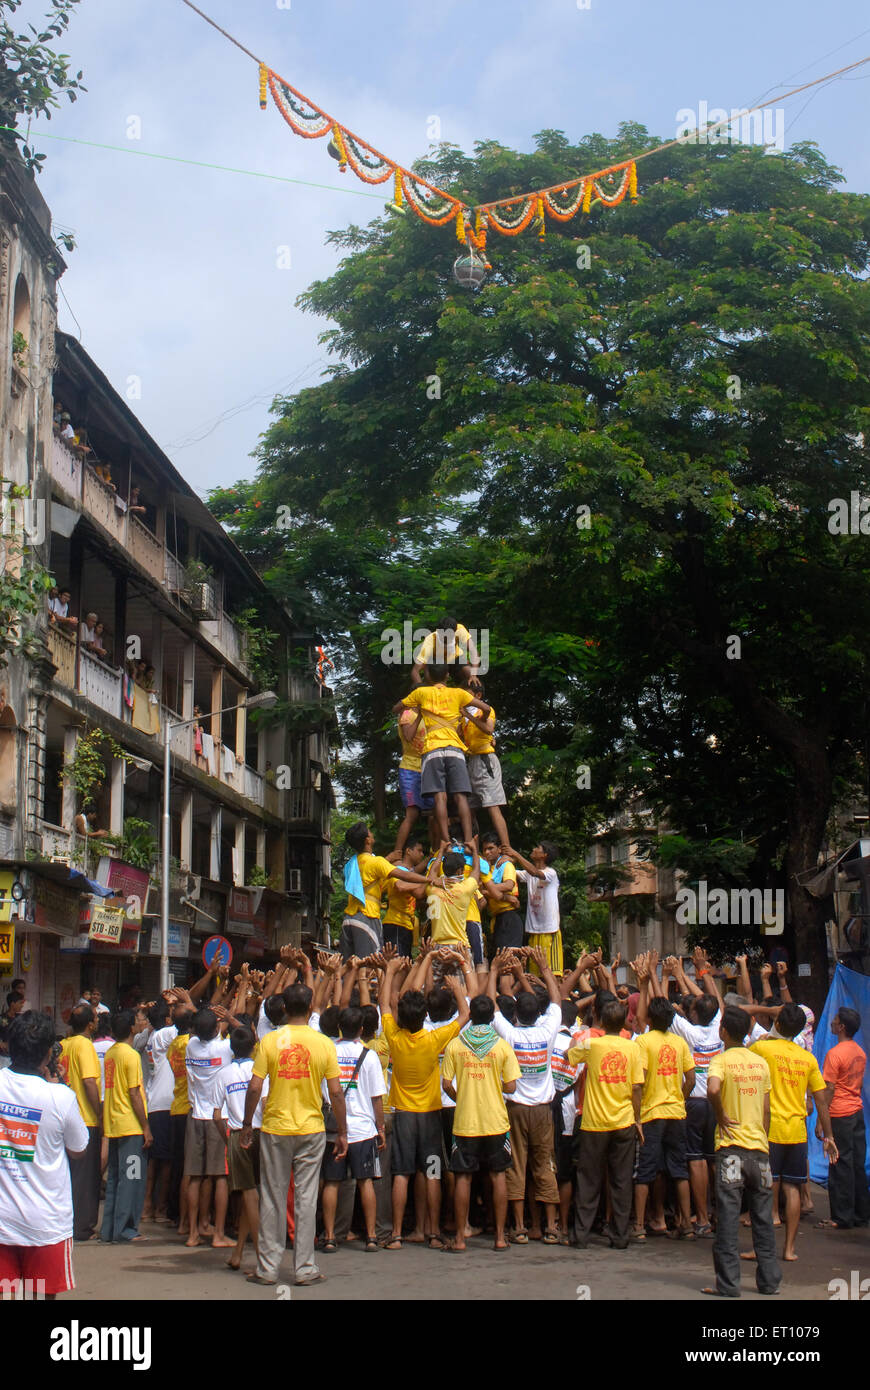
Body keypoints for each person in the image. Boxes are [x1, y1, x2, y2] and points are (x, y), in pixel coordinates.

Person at [242, 982, 346, 1288]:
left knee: (273, 1197)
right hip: (312, 1128)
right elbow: (337, 1093)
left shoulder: (270, 1041)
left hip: (275, 1127)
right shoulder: (324, 1043)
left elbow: (254, 1087)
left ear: (284, 1008)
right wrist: (342, 1131)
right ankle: (304, 1267)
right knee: (305, 1197)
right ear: (312, 1005)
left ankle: (267, 1268)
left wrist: (247, 1124)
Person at [381, 954, 468, 1250]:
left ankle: (394, 1234)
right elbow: (464, 1016)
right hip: (430, 1115)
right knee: (432, 1173)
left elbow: (384, 1005)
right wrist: (456, 988)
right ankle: (432, 1233)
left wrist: (391, 971)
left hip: (404, 1115)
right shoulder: (433, 1039)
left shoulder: (394, 1037)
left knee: (402, 1174)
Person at [0, 1012, 88, 1298]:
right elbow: (78, 1149)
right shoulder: (60, 1097)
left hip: (4, 1222)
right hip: (45, 1224)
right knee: (40, 1296)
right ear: (49, 1052)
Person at [748, 1002, 837, 1262]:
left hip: (770, 1129)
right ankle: (789, 1250)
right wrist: (829, 1136)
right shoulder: (807, 1058)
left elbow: (743, 1059)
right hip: (797, 1131)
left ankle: (761, 1246)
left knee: (765, 1188)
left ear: (777, 1024)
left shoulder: (762, 1048)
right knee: (793, 1188)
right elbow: (820, 1099)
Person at [704, 1005, 780, 1298]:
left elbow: (712, 1090)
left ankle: (728, 1285)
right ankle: (770, 1282)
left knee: (728, 1217)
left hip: (731, 1149)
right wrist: (763, 1139)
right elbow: (765, 1109)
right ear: (748, 1031)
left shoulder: (720, 1061)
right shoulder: (760, 1063)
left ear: (723, 1031)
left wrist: (721, 1114)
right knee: (762, 1220)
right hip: (759, 1151)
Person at [489, 947, 563, 1242]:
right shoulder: (548, 1032)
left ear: (516, 1013)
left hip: (516, 1107)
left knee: (516, 1165)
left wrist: (495, 970)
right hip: (543, 1110)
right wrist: (543, 969)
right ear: (539, 1014)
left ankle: (518, 1227)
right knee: (544, 1164)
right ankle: (552, 1227)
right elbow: (557, 1000)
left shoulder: (511, 1034)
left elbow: (493, 1007)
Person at [441, 993, 521, 1251]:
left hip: (465, 1121)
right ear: (491, 1017)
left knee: (463, 1177)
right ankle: (499, 1237)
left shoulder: (456, 1045)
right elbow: (511, 1085)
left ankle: (461, 1239)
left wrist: (461, 1096)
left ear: (471, 1016)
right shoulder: (501, 1046)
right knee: (498, 1176)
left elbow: (446, 1084)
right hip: (496, 1121)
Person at [567, 998, 644, 1250]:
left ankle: (580, 1235)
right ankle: (620, 1236)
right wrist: (638, 1119)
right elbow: (636, 1088)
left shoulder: (592, 1045)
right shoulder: (631, 1048)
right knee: (621, 1180)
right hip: (623, 1121)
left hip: (594, 1122)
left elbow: (569, 1056)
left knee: (588, 1180)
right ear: (623, 1022)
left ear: (598, 1018)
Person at [393, 667, 492, 845]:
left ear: (428, 675)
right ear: (448, 675)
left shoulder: (422, 692)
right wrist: (479, 719)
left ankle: (445, 841)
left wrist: (419, 707)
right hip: (455, 749)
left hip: (432, 750)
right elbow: (486, 708)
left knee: (440, 797)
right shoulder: (458, 693)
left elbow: (396, 708)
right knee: (461, 796)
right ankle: (469, 840)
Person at [321, 1005, 387, 1253]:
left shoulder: (329, 1052)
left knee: (332, 1182)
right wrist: (380, 1127)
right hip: (362, 1128)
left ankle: (329, 1236)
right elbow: (376, 1098)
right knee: (365, 1181)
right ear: (361, 1029)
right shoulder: (368, 1056)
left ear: (340, 1027)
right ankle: (371, 1236)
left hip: (335, 1128)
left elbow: (324, 1090)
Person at [633, 996, 696, 1240]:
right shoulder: (679, 1043)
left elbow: (641, 1079)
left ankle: (639, 1226)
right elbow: (690, 1078)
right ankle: (686, 1224)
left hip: (651, 1113)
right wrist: (679, 1097)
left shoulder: (643, 1042)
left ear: (649, 1018)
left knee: (645, 1171)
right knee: (679, 1170)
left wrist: (637, 1115)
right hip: (676, 1112)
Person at [213, 1025, 266, 1272]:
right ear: (254, 1044)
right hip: (261, 1131)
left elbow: (216, 1115)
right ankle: (241, 1253)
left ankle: (258, 1256)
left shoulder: (223, 1074)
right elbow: (265, 1102)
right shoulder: (259, 1069)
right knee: (251, 1194)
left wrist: (228, 1141)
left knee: (248, 1194)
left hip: (237, 1133)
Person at [339, 821, 431, 960]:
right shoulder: (377, 862)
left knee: (349, 967)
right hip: (367, 917)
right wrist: (430, 880)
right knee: (369, 965)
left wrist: (388, 858)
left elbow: (371, 874)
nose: (371, 832)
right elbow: (404, 875)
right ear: (367, 840)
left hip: (348, 919)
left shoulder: (351, 864)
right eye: (369, 831)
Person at [184, 1007, 234, 1249]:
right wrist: (230, 1017)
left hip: (196, 1116)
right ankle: (219, 1234)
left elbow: (203, 1028)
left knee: (194, 1176)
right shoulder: (224, 1049)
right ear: (216, 1029)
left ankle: (193, 1233)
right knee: (220, 1177)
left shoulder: (191, 1045)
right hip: (218, 1117)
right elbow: (244, 1033)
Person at [101, 1009, 152, 1244]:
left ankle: (109, 1228)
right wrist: (146, 1127)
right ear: (131, 1028)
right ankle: (125, 1229)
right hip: (130, 1126)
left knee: (115, 1179)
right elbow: (134, 1093)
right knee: (132, 1178)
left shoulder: (111, 1053)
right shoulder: (130, 1055)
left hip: (113, 1123)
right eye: (137, 1020)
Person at [818, 1006, 869, 1230]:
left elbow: (828, 1089)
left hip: (839, 1114)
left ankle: (841, 1217)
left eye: (835, 1020)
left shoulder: (834, 1054)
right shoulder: (859, 1051)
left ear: (842, 1027)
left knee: (838, 1164)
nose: (832, 1022)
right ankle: (860, 1213)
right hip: (856, 1112)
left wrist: (822, 1119)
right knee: (856, 1163)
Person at [58, 1003, 102, 1242]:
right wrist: (100, 1114)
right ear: (90, 1025)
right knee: (86, 1178)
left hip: (64, 1118)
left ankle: (68, 1223)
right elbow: (89, 1082)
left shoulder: (64, 1046)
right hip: (85, 1118)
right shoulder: (85, 1046)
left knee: (69, 1176)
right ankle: (82, 1227)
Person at [461, 678, 511, 849]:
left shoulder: (483, 711)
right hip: (472, 762)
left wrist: (467, 715)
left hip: (486, 760)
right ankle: (471, 845)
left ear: (478, 695)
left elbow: (488, 729)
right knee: (468, 806)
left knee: (492, 805)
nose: (465, 699)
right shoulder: (463, 718)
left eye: (467, 695)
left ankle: (506, 848)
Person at [500, 841, 562, 976]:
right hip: (534, 931)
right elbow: (510, 873)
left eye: (537, 848)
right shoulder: (527, 874)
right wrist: (505, 861)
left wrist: (515, 854)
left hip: (549, 930)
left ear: (544, 855)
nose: (533, 849)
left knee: (552, 973)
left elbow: (535, 872)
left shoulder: (551, 873)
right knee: (535, 975)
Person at [141, 1001, 174, 1224]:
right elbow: (189, 1017)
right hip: (164, 1103)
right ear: (168, 1020)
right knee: (165, 1161)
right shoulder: (163, 1035)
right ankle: (158, 1207)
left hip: (154, 1103)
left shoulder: (153, 1037)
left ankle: (147, 1205)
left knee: (154, 1160)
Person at [394, 707, 434, 856]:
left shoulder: (430, 716)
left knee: (435, 812)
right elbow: (409, 736)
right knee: (412, 813)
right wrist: (420, 717)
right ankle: (397, 852)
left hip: (428, 767)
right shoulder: (407, 714)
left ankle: (435, 851)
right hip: (410, 767)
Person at [383, 835, 427, 957]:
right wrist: (428, 881)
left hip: (406, 925)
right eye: (419, 850)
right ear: (408, 851)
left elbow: (418, 893)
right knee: (396, 964)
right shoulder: (398, 869)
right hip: (395, 924)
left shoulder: (410, 873)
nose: (421, 854)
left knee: (404, 965)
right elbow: (400, 886)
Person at [480, 831, 523, 952]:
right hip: (497, 918)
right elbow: (480, 890)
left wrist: (488, 888)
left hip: (509, 917)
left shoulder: (506, 865)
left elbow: (509, 885)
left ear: (499, 849)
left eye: (490, 848)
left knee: (509, 958)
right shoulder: (487, 869)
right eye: (484, 849)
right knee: (499, 958)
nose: (487, 852)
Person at [411, 616, 481, 690]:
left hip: (455, 657)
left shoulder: (460, 629)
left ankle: (467, 696)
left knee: (470, 675)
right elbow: (415, 671)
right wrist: (421, 690)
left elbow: (474, 652)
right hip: (436, 662)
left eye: (449, 638)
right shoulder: (430, 640)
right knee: (429, 676)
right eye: (444, 638)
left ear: (455, 632)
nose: (446, 640)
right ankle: (433, 695)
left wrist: (473, 675)